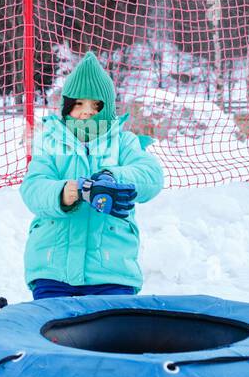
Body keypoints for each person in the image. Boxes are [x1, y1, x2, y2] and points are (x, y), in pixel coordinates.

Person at [20, 52, 163, 300]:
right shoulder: (50, 142)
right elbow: (32, 188)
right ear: (67, 106)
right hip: (53, 269)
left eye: (95, 105)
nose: (86, 112)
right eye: (78, 104)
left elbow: (151, 175)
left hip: (111, 271)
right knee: (53, 333)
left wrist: (112, 177)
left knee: (112, 336)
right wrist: (62, 193)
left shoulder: (124, 142)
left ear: (106, 107)